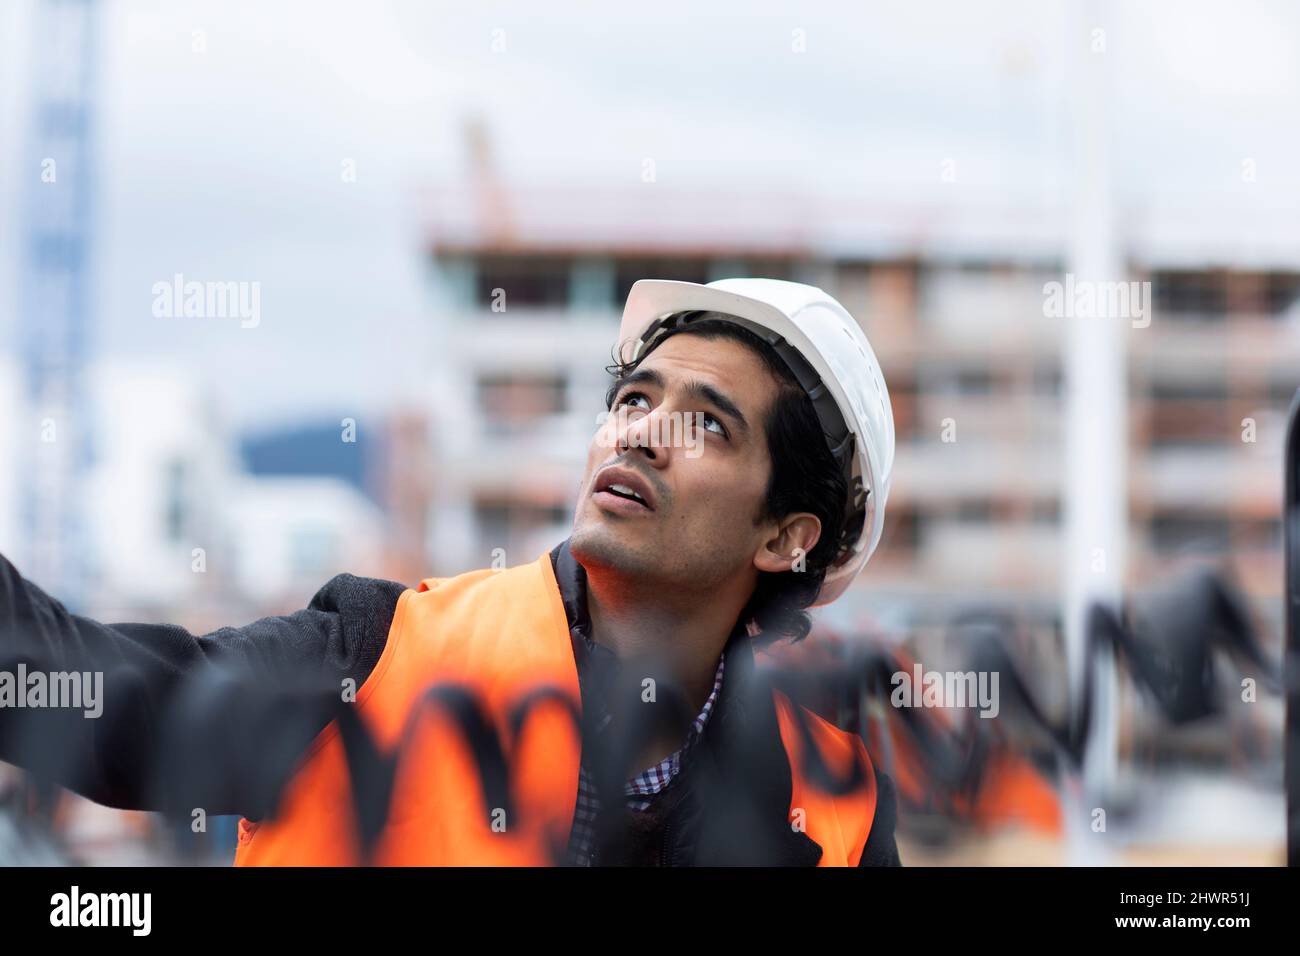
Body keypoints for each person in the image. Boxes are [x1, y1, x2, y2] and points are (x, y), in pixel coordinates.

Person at [0, 278, 901, 866]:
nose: (641, 433)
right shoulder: (379, 654)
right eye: (633, 398)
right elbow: (117, 706)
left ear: (786, 536)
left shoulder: (841, 811)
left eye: (708, 424)